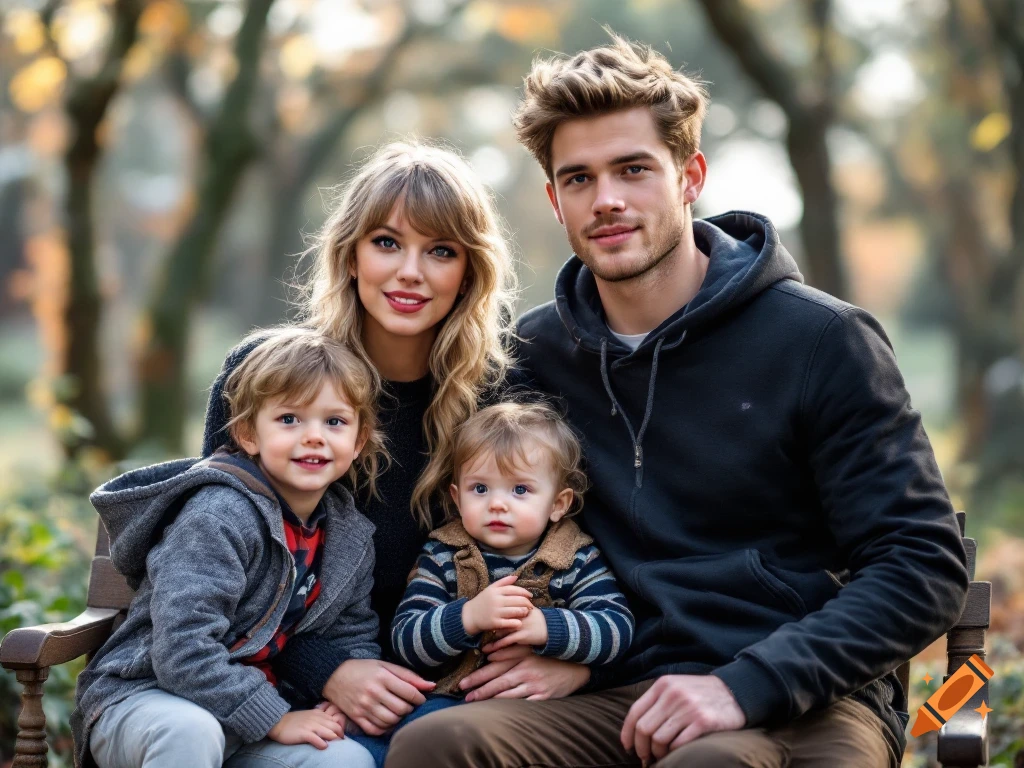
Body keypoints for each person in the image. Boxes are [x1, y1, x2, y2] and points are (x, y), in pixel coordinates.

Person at [385, 34, 971, 768]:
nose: (607, 200)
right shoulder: (532, 356)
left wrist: (745, 686)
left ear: (690, 176)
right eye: (578, 178)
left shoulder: (823, 341)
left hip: (802, 695)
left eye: (633, 169)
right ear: (556, 201)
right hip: (612, 689)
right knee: (439, 745)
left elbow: (921, 564)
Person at [201, 143, 576, 741]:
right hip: (286, 698)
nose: (410, 272)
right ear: (350, 255)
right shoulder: (270, 379)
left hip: (453, 696)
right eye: (386, 242)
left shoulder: (504, 394)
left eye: (441, 251)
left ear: (469, 271)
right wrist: (328, 669)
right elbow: (227, 565)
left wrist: (572, 662)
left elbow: (566, 549)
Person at [73, 328, 386, 768]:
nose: (314, 436)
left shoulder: (348, 536)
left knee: (343, 759)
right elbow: (181, 649)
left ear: (358, 441)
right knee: (190, 730)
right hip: (146, 698)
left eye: (334, 422)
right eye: (289, 419)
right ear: (248, 435)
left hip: (245, 722)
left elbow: (350, 633)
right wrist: (275, 718)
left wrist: (338, 701)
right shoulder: (218, 515)